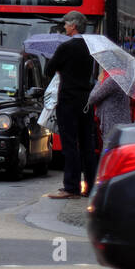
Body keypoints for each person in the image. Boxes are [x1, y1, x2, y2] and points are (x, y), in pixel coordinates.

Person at [43, 10, 98, 198]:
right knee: (87, 145)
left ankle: (71, 187)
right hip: (86, 100)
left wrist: (59, 67)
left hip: (68, 100)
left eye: (66, 24)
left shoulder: (66, 48)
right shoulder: (91, 47)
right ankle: (91, 186)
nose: (64, 26)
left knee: (70, 144)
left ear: (73, 26)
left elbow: (48, 70)